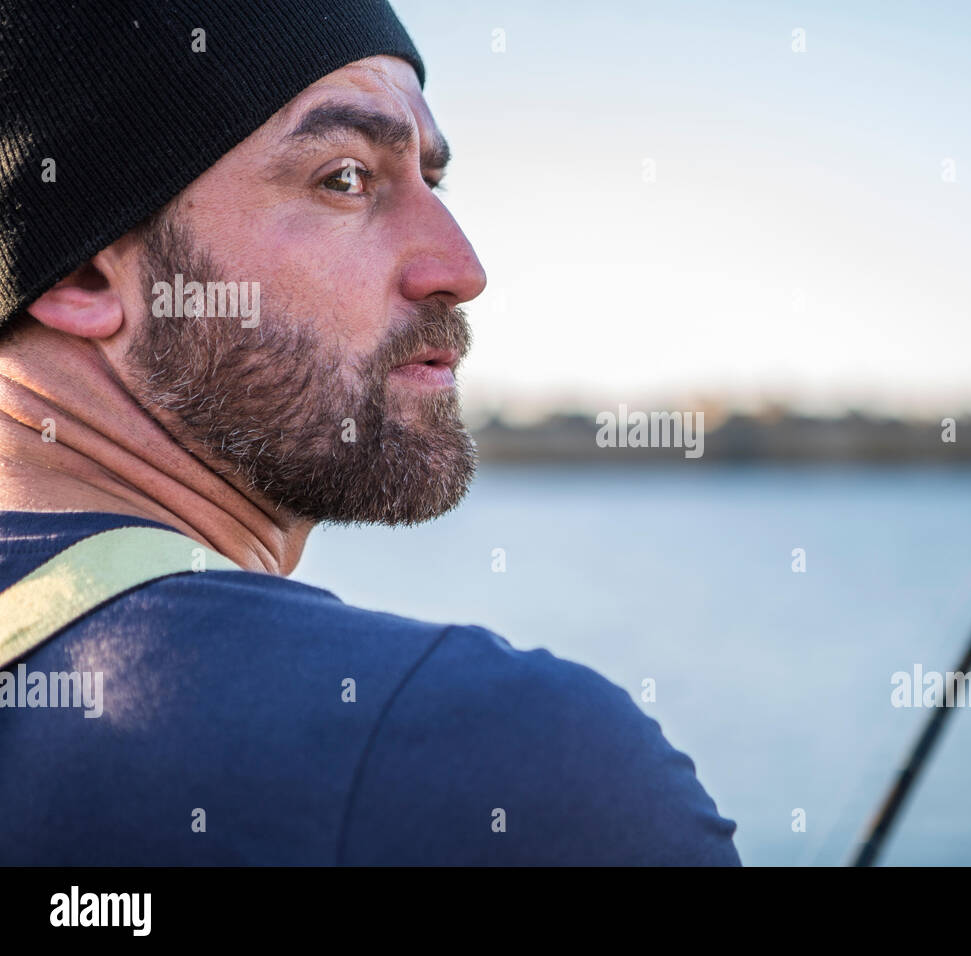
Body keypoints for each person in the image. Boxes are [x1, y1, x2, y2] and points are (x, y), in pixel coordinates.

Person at [0, 0, 741, 865]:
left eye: (434, 180)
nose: (459, 271)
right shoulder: (496, 760)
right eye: (345, 178)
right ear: (86, 270)